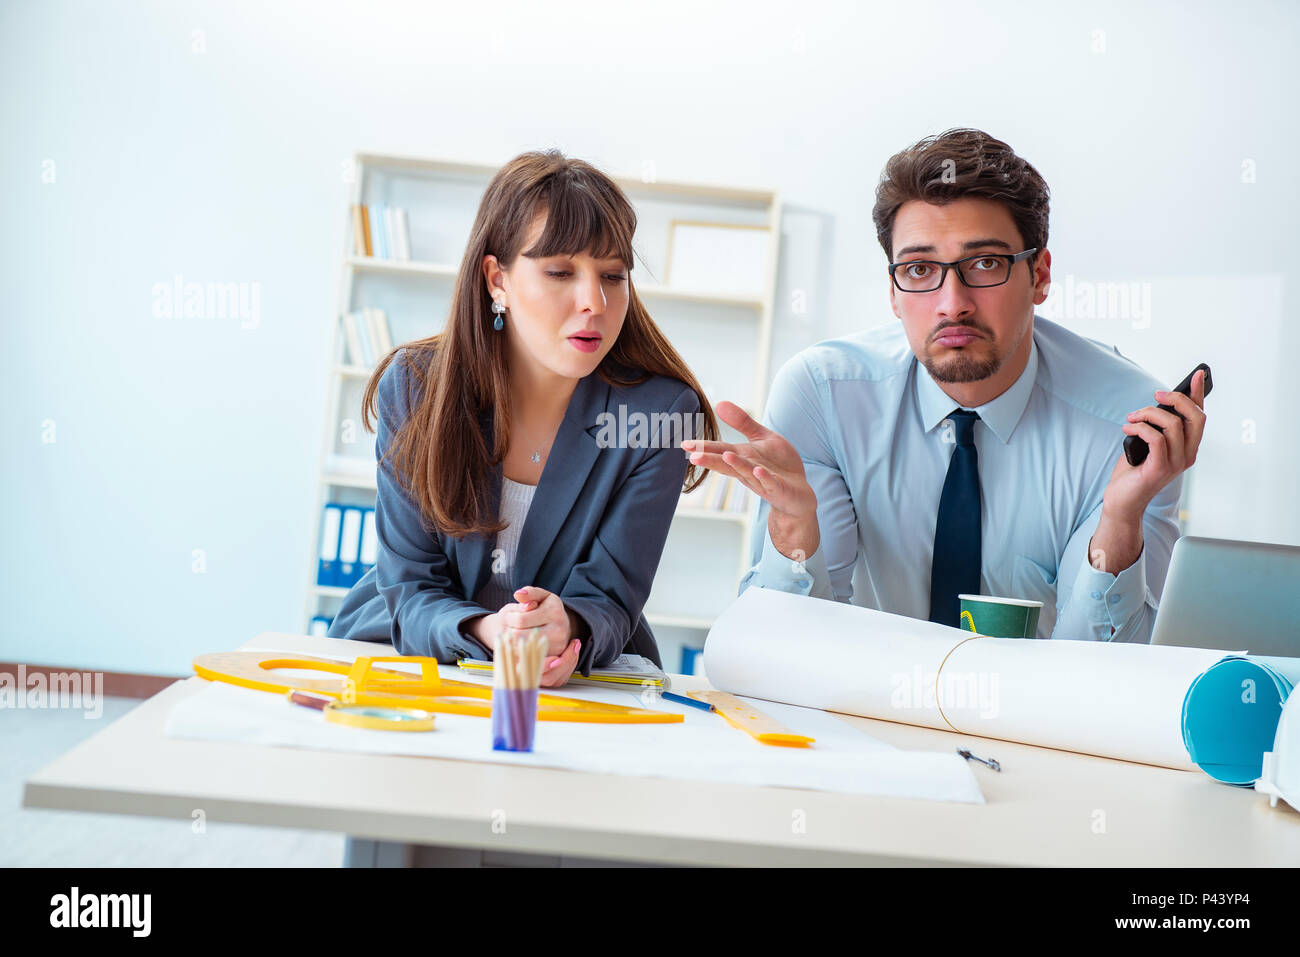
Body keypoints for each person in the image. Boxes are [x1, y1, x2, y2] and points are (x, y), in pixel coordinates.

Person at [683, 129, 1207, 642]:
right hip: (861, 708)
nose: (951, 302)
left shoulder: (1127, 419)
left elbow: (1103, 678)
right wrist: (795, 531)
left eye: (985, 264)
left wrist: (1119, 520)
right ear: (893, 290)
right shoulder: (822, 395)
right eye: (919, 269)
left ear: (1040, 276)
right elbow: (786, 647)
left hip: (1031, 718)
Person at [328, 150, 717, 685]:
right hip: (419, 650)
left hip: (576, 673)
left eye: (613, 275)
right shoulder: (416, 387)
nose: (594, 301)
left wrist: (568, 628)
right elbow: (411, 586)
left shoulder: (660, 414)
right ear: (497, 280)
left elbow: (610, 595)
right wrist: (487, 631)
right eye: (559, 271)